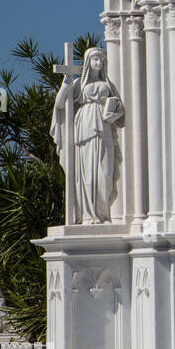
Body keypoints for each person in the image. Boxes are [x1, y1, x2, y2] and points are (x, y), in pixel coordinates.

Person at [52, 47, 124, 223]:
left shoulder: (108, 85)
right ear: (88, 62)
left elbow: (120, 107)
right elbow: (60, 104)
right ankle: (89, 215)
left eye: (101, 60)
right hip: (85, 126)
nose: (98, 63)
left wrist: (114, 112)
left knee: (106, 172)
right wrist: (65, 85)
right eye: (95, 59)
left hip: (105, 127)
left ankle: (103, 213)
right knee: (88, 174)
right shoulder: (80, 85)